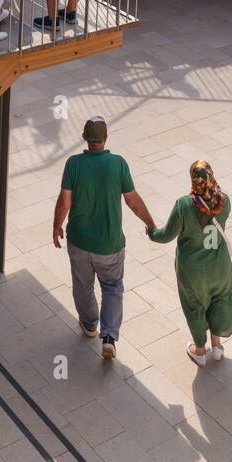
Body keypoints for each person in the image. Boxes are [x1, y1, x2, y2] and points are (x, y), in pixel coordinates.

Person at [52, 116, 155, 360]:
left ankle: (89, 325)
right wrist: (149, 223)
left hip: (79, 241)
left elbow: (64, 201)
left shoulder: (73, 164)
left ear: (86, 139)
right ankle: (109, 338)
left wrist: (57, 226)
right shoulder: (118, 164)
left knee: (82, 284)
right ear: (106, 138)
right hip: (110, 245)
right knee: (112, 288)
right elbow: (132, 201)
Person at [147, 161, 232, 366]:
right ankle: (217, 347)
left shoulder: (184, 205)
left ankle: (200, 350)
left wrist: (151, 232)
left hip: (193, 272)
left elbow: (166, 235)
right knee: (219, 300)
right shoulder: (225, 201)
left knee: (195, 306)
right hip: (220, 268)